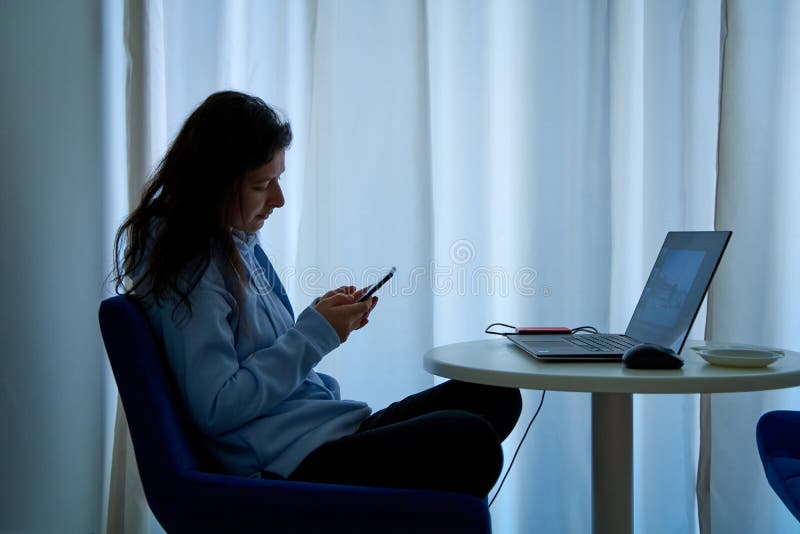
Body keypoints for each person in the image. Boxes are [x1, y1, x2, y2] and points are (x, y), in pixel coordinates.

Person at [113, 90, 521, 498]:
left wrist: (321, 318)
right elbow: (217, 406)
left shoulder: (235, 242)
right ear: (215, 184)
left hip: (322, 431)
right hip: (293, 464)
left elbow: (265, 348)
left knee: (497, 396)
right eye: (262, 185)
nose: (278, 200)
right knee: (471, 442)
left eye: (278, 180)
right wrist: (314, 333)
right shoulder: (192, 270)